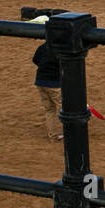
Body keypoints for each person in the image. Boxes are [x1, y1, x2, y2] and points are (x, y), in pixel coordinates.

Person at [23, 7, 64, 142]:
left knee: (50, 110)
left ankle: (53, 136)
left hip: (40, 82)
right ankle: (72, 133)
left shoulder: (42, 47)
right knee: (68, 109)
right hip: (54, 84)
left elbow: (35, 60)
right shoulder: (59, 51)